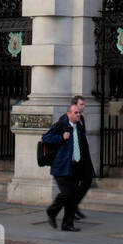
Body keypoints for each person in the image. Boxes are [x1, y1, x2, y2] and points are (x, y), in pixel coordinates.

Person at [42, 98, 92, 231]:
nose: (78, 115)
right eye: (75, 113)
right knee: (67, 194)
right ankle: (52, 211)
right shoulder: (61, 124)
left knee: (72, 196)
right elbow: (46, 138)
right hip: (62, 167)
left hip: (75, 167)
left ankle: (67, 224)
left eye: (79, 113)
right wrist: (61, 137)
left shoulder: (79, 126)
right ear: (68, 114)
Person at [70, 95, 94, 220]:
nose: (83, 107)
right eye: (81, 104)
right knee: (75, 183)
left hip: (84, 155)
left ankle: (74, 205)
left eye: (84, 104)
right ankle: (72, 208)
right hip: (76, 157)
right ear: (74, 105)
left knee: (88, 179)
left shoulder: (81, 118)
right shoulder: (70, 118)